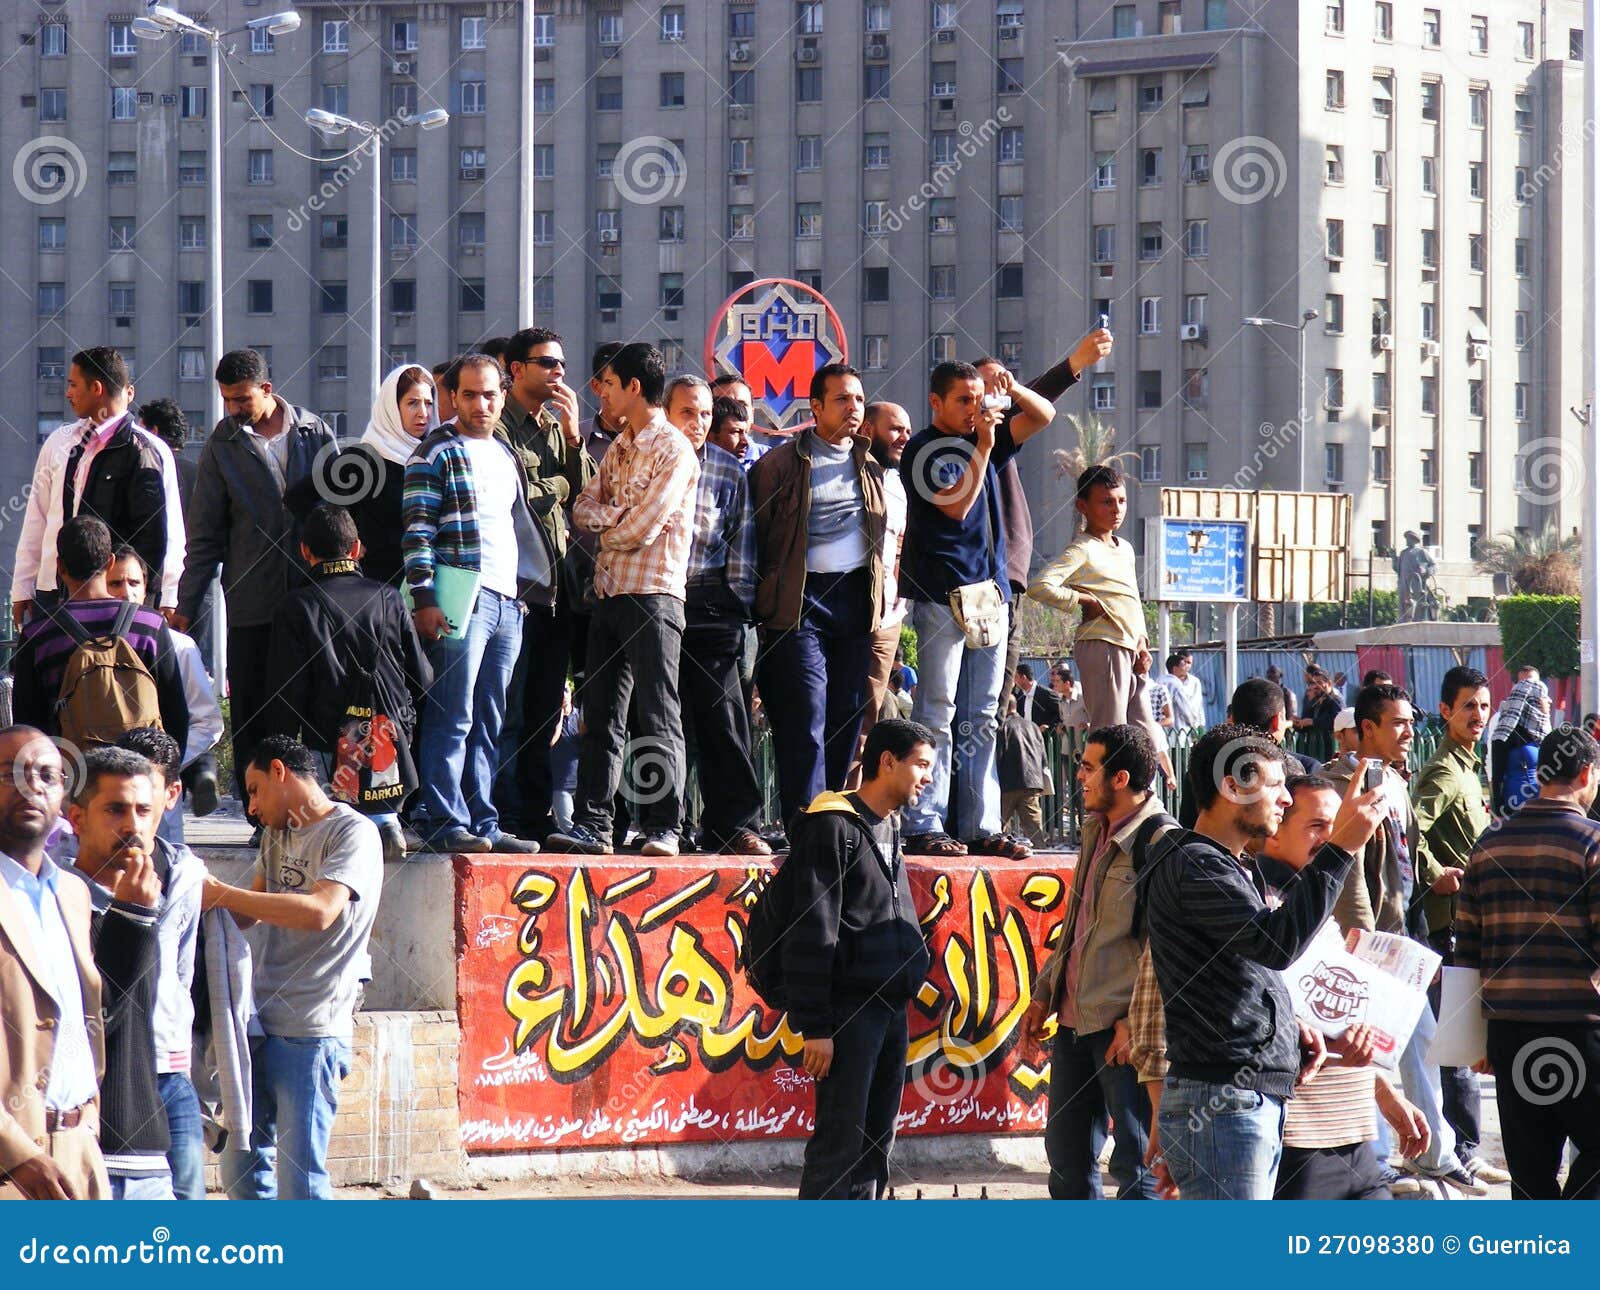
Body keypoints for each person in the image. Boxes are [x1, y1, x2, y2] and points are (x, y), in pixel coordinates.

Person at [1139, 724, 1381, 1200]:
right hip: (1224, 1103)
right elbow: (1275, 943)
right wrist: (1342, 848)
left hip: (1235, 1103)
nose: (1287, 800)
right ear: (1231, 786)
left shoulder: (1223, 864)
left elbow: (1240, 976)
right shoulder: (1195, 864)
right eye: (1275, 786)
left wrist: (1288, 1030)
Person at [1321, 682, 1486, 1195]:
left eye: (1410, 722)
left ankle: (1435, 1154)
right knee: (1363, 1054)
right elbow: (1346, 873)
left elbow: (1411, 857)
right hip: (1362, 945)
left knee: (1423, 1042)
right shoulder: (1338, 787)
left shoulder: (1394, 783)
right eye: (1396, 723)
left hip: (1400, 939)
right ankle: (1374, 1158)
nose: (1408, 731)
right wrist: (1362, 942)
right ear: (1365, 729)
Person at [202, 735, 383, 1200]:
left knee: (299, 1184)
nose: (253, 806)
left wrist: (219, 893)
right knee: (242, 1173)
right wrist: (187, 899)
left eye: (256, 789)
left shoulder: (352, 833)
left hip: (313, 1028)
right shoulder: (276, 833)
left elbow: (320, 911)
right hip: (257, 1022)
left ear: (280, 771)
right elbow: (252, 911)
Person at [900, 361, 1061, 859]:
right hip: (938, 597)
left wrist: (1010, 387)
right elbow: (956, 506)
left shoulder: (985, 437)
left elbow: (1044, 415)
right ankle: (925, 820)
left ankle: (979, 823)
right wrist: (986, 447)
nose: (974, 410)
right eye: (963, 401)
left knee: (983, 715)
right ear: (936, 403)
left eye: (977, 399)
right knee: (937, 712)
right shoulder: (924, 448)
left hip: (989, 599)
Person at [551, 343, 699, 858]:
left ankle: (665, 827)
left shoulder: (674, 449)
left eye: (610, 384)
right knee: (601, 718)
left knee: (658, 713)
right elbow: (581, 508)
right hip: (609, 593)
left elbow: (643, 525)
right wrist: (617, 520)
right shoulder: (618, 447)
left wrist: (612, 522)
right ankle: (595, 824)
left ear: (634, 386)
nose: (603, 393)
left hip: (654, 596)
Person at [1254, 777, 1432, 1200]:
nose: (1332, 837)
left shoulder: (1312, 900)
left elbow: (1333, 1023)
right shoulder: (1264, 909)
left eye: (1338, 825)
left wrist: (1388, 1099)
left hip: (1356, 1141)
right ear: (1275, 829)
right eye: (1317, 825)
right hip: (1300, 1145)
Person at [174, 349, 335, 808]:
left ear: (267, 390)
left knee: (315, 707)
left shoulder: (314, 431)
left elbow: (338, 508)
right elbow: (204, 536)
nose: (233, 409)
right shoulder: (221, 447)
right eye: (226, 400)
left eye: (241, 398)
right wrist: (187, 606)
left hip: (312, 599)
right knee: (253, 711)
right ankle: (259, 812)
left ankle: (316, 804)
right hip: (250, 602)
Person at [403, 354, 550, 854]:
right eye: (469, 394)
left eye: (489, 394)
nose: (480, 404)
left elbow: (515, 531)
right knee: (453, 713)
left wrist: (524, 596)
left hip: (509, 602)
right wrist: (424, 597)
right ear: (453, 397)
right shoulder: (435, 452)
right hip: (460, 597)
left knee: (490, 719)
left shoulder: (505, 455)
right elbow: (418, 531)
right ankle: (443, 820)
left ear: (502, 396)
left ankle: (483, 824)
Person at [784, 719, 935, 1199]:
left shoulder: (889, 824)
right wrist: (817, 1028)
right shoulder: (832, 825)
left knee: (875, 1144)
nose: (928, 777)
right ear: (887, 761)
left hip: (890, 1011)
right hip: (848, 1015)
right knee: (839, 1144)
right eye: (921, 764)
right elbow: (813, 929)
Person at [1456, 724, 1600, 1200]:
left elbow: (1467, 950)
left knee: (1529, 1174)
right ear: (1585, 773)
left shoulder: (1488, 844)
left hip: (1510, 1033)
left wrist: (1472, 1038)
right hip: (1581, 1032)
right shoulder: (1592, 844)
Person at [1021, 724, 1164, 1198]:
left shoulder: (1161, 843)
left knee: (1135, 1162)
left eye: (1087, 767)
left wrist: (1133, 1024)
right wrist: (1044, 993)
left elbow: (1166, 949)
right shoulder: (1094, 830)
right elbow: (1078, 925)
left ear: (1119, 778)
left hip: (1121, 1031)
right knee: (1066, 1158)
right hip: (1074, 1021)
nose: (1078, 776)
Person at [748, 364, 885, 832]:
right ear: (817, 407)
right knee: (808, 707)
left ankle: (833, 819)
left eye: (860, 400)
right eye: (843, 399)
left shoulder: (871, 464)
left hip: (856, 599)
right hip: (800, 601)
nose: (853, 409)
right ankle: (803, 822)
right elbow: (759, 538)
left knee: (849, 711)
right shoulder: (780, 465)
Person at [264, 505, 435, 863]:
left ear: (305, 552)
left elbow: (286, 692)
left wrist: (282, 752)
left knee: (332, 829)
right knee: (378, 790)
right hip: (383, 736)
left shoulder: (295, 606)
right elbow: (422, 676)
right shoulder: (389, 597)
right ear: (356, 548)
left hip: (325, 737)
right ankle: (386, 822)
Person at [0, 728, 119, 1199]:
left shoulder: (73, 893)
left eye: (46, 775)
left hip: (80, 1153)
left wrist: (87, 1118)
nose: (31, 787)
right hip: (13, 1165)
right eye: (11, 773)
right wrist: (17, 1154)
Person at [1408, 665, 1509, 1186]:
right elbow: (1408, 829)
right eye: (1468, 705)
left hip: (1470, 923)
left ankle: (1462, 1146)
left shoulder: (1470, 767)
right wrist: (1433, 875)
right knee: (1458, 1042)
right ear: (1445, 711)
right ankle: (1459, 1150)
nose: (1478, 715)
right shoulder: (1444, 772)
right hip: (1447, 927)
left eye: (1484, 705)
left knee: (1462, 1039)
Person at [496, 328, 595, 844]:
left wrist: (575, 437)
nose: (559, 372)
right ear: (516, 369)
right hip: (512, 590)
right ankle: (504, 815)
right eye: (546, 363)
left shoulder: (556, 427)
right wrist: (558, 486)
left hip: (558, 587)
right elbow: (522, 496)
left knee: (541, 714)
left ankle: (536, 818)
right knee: (509, 711)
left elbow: (589, 489)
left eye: (561, 363)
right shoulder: (497, 426)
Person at [662, 375, 767, 854]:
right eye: (688, 413)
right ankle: (667, 825)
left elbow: (742, 545)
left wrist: (735, 611)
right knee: (663, 719)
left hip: (710, 606)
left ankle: (732, 824)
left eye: (705, 414)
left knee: (724, 718)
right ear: (666, 411)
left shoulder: (727, 469)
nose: (699, 423)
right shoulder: (645, 456)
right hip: (655, 600)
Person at [63, 747, 172, 1199]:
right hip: (83, 1156)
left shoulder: (143, 900)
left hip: (149, 1157)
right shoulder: (58, 906)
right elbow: (92, 1023)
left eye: (144, 810)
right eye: (115, 809)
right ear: (77, 818)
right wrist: (131, 919)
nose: (134, 826)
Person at [975, 334, 1113, 682]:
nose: (1001, 391)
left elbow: (1036, 408)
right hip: (971, 584)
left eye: (1005, 382)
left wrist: (1073, 365)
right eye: (989, 385)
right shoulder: (968, 440)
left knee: (998, 696)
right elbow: (1034, 409)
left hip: (1008, 583)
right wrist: (1074, 363)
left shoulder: (1000, 436)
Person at [11, 348, 177, 629]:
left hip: (115, 597)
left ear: (96, 388)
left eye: (74, 384)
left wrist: (167, 597)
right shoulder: (60, 443)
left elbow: (167, 532)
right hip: (54, 592)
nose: (68, 393)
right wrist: (23, 586)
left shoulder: (148, 450)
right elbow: (37, 519)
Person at [112, 727, 207, 1200]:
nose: (133, 816)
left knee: (188, 1196)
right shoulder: (72, 878)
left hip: (171, 1069)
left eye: (145, 797)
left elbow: (182, 972)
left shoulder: (189, 874)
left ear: (170, 796)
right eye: (118, 801)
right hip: (111, 1075)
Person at [9, 517, 188, 755]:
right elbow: (175, 711)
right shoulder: (149, 624)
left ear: (60, 566)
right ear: (110, 562)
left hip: (74, 777)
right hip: (140, 776)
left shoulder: (38, 634)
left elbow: (29, 725)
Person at [1027, 467, 1163, 768]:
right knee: (1110, 733)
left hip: (1130, 648)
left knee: (1141, 731)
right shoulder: (1082, 548)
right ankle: (1099, 809)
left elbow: (1131, 598)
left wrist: (1142, 641)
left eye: (1122, 501)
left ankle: (1134, 803)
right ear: (1082, 506)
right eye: (1106, 502)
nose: (1116, 509)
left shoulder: (1124, 548)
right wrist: (1083, 600)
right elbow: (1039, 586)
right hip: (1103, 643)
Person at [105, 547, 222, 836]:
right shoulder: (86, 644)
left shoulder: (178, 646)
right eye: (115, 583)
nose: (126, 592)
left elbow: (207, 722)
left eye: (133, 583)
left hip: (159, 799)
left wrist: (162, 764)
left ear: (146, 589)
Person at [289, 365, 436, 587]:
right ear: (391, 408)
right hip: (374, 587)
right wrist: (341, 540)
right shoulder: (363, 459)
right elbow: (298, 497)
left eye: (428, 403)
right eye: (412, 403)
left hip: (426, 587)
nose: (422, 413)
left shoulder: (435, 457)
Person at [852, 401, 914, 782]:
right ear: (867, 430)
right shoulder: (849, 473)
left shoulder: (899, 483)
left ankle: (852, 804)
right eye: (895, 429)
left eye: (907, 429)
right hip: (845, 611)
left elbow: (901, 545)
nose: (904, 437)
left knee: (868, 717)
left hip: (888, 616)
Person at [1176, 676, 1317, 828]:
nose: (1285, 799)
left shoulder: (1204, 768)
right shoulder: (1305, 768)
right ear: (1277, 721)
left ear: (1232, 719)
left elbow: (1189, 826)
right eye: (1274, 785)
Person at [1490, 676, 1550, 816]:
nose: (1549, 701)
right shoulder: (1506, 732)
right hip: (1515, 807)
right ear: (1532, 700)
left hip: (1542, 805)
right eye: (1544, 697)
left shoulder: (1543, 730)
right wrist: (1497, 813)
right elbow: (1497, 776)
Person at [996, 698, 1050, 848]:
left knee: (997, 828)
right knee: (1035, 829)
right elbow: (1043, 757)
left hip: (1007, 783)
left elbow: (998, 756)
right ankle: (1043, 860)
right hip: (1032, 782)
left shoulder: (1002, 727)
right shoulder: (1032, 726)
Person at [1155, 650, 1205, 733]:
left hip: (1159, 730)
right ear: (1175, 669)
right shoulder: (1175, 685)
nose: (1186, 667)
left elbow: (1199, 705)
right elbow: (1186, 710)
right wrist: (1194, 727)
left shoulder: (1159, 681)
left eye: (1188, 663)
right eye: (1183, 665)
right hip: (1178, 732)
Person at [1395, 530, 1437, 621]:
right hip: (1404, 583)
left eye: (1408, 539)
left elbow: (1433, 565)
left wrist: (1425, 570)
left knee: (1417, 605)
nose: (1406, 541)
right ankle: (1403, 621)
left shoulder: (1421, 552)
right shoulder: (1403, 553)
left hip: (1416, 583)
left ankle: (1417, 621)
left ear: (1414, 540)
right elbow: (1397, 569)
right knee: (1403, 605)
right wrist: (1394, 558)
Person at [1012, 662, 1063, 732]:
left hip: (1044, 738)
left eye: (1016, 677)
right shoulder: (1019, 695)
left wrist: (1049, 726)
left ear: (1023, 678)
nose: (1014, 680)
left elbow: (1060, 712)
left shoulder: (1046, 693)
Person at [708, 394, 756, 467]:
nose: (745, 442)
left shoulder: (738, 474)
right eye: (736, 432)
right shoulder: (689, 468)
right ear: (711, 436)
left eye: (746, 433)